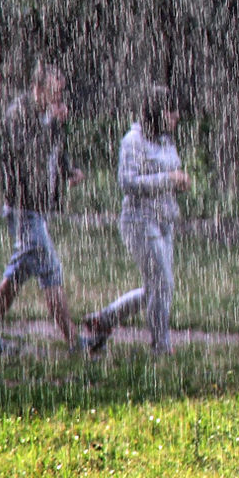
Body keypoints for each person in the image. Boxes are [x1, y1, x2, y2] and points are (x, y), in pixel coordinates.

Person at [0, 61, 88, 352]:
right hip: (23, 207)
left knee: (17, 275)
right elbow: (26, 156)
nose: (57, 99)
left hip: (37, 207)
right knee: (51, 271)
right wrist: (51, 123)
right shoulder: (19, 115)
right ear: (37, 89)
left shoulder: (44, 116)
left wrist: (67, 170)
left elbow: (52, 150)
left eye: (60, 93)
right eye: (53, 92)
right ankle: (74, 342)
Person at [83, 83, 191, 354]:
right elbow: (128, 182)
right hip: (139, 221)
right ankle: (161, 346)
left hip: (164, 219)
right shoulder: (133, 141)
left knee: (156, 287)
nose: (177, 117)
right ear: (158, 113)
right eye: (172, 112)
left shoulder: (166, 141)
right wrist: (167, 179)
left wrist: (180, 181)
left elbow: (169, 171)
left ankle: (103, 319)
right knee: (163, 284)